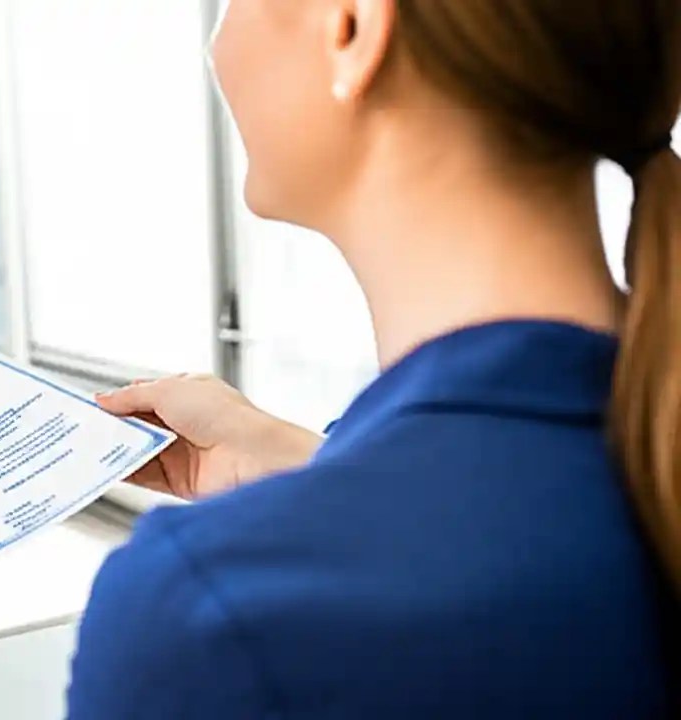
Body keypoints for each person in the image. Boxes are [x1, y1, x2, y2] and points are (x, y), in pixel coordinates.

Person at [68, 0, 680, 716]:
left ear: (351, 27)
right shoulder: (642, 468)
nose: (218, 45)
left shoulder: (215, 616)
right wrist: (320, 466)